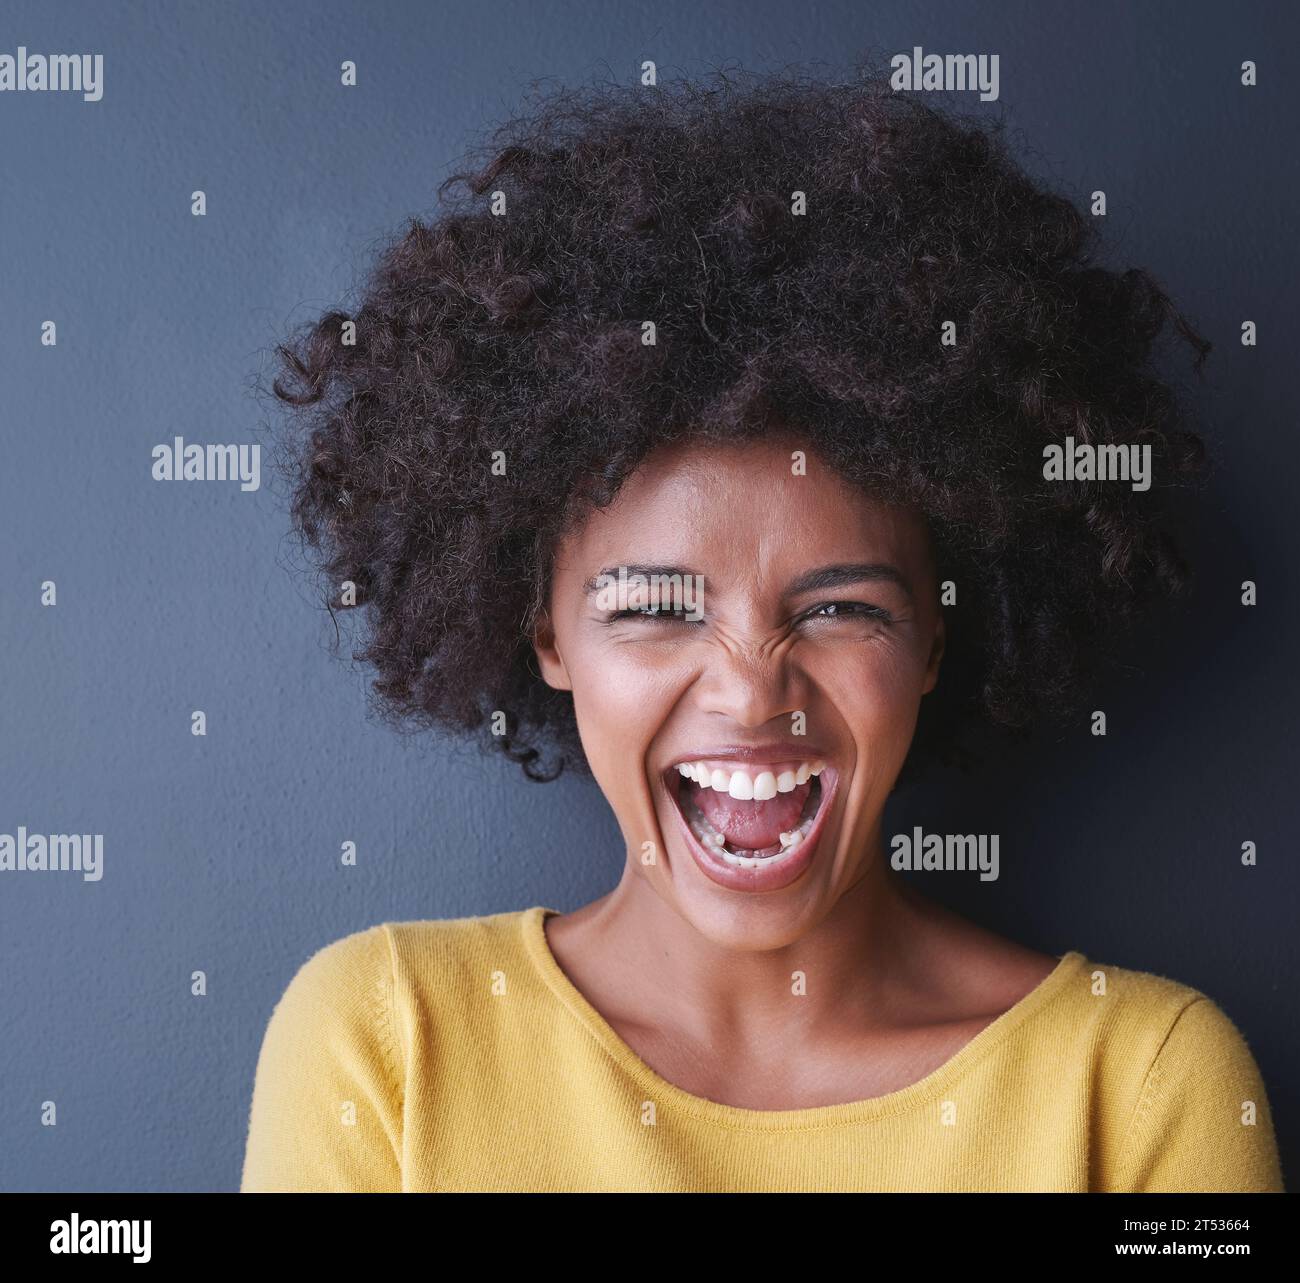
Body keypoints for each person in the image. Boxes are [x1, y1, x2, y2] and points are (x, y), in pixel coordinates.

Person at [240, 66, 1284, 1193]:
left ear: (934, 639)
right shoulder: (388, 1042)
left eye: (838, 607)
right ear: (544, 629)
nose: (749, 689)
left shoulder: (1137, 1085)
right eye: (652, 608)